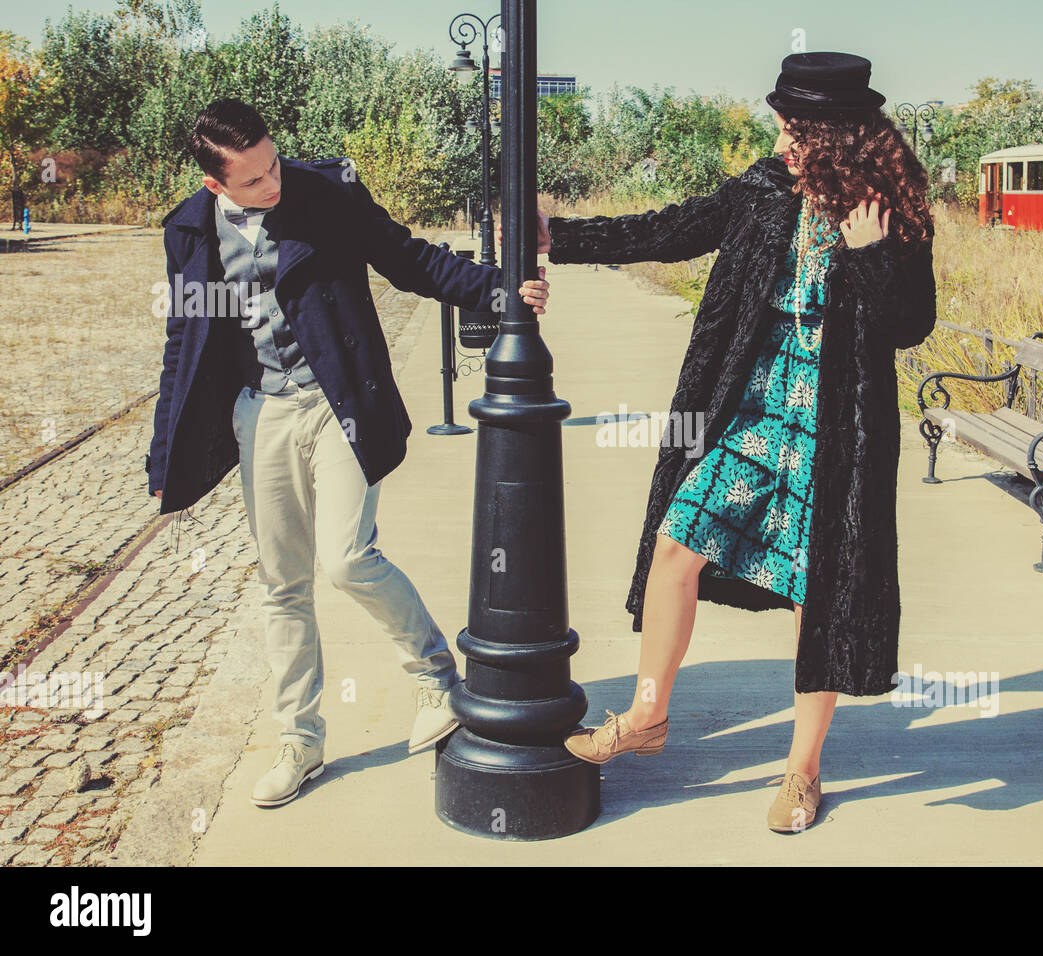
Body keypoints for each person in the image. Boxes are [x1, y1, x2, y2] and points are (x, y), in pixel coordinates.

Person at [532, 52, 937, 832]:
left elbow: (910, 324)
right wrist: (561, 237)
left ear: (836, 136)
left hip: (834, 429)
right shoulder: (763, 189)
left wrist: (871, 255)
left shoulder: (888, 210)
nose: (782, 142)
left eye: (794, 130)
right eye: (781, 127)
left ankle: (802, 772)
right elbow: (673, 229)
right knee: (676, 544)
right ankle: (648, 717)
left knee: (812, 596)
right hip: (747, 411)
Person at [146, 98, 551, 808]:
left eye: (273, 164)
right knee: (281, 583)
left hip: (339, 404)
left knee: (345, 557)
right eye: (255, 181)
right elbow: (185, 339)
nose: (274, 183)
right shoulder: (190, 230)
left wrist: (494, 284)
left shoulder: (324, 195)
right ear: (217, 185)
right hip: (262, 412)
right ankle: (299, 741)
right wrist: (164, 454)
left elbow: (405, 257)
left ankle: (434, 678)